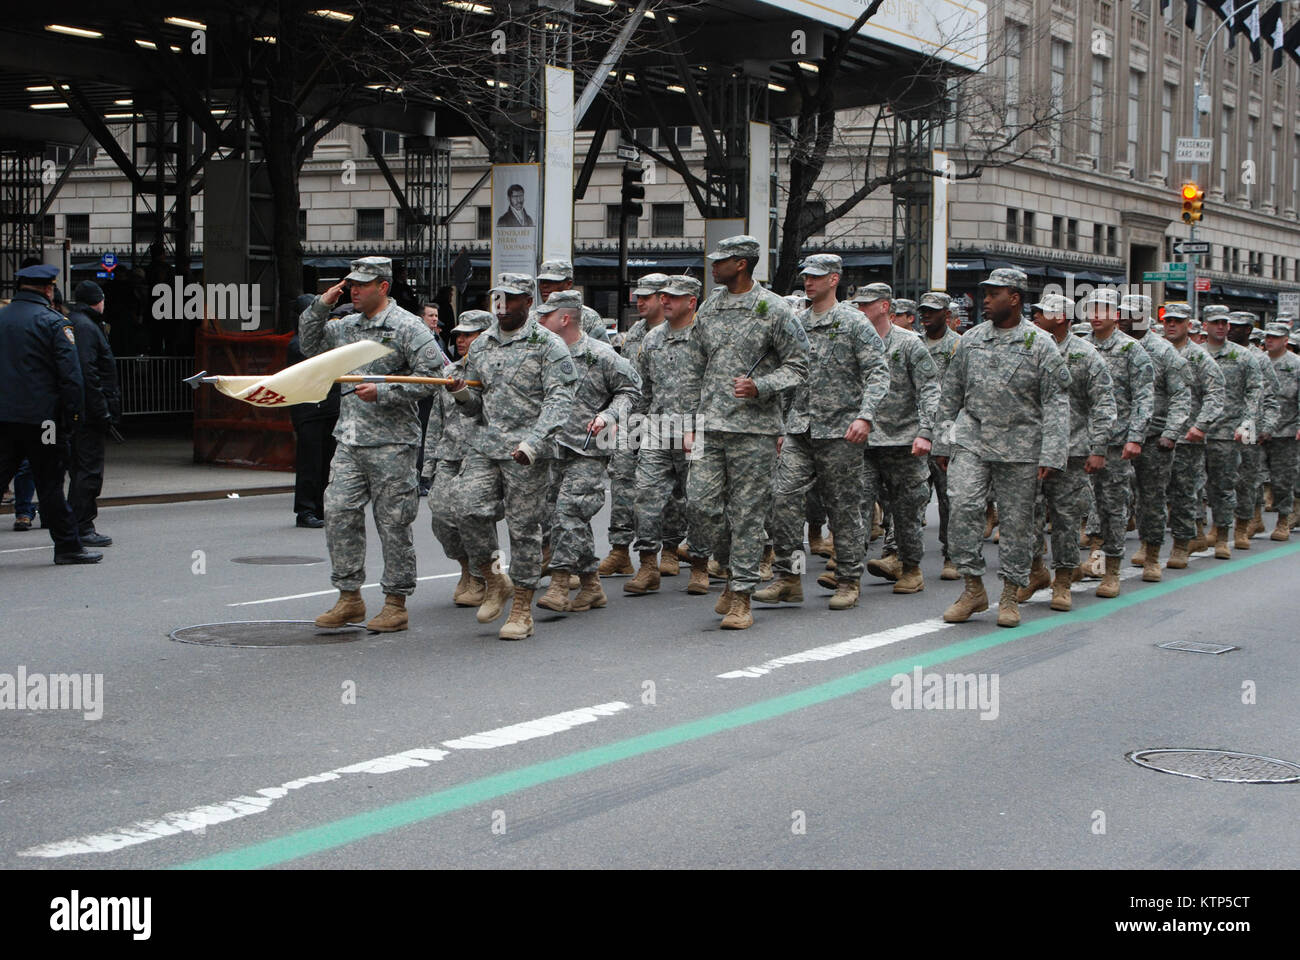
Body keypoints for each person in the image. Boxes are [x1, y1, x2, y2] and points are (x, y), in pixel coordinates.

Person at [299, 256, 451, 633]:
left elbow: (435, 377)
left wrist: (385, 391)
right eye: (350, 284)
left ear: (383, 287)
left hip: (392, 443)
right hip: (349, 439)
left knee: (393, 523)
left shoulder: (408, 327)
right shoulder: (347, 325)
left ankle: (396, 602)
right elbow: (309, 346)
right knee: (337, 512)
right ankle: (349, 596)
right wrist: (321, 305)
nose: (353, 289)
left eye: (362, 284)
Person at [683, 235, 808, 630]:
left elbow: (800, 366)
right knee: (700, 505)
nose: (712, 266)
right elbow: (695, 367)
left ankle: (741, 595)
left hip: (754, 430)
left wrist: (762, 386)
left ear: (741, 264)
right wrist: (689, 422)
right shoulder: (710, 306)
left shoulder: (773, 309)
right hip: (710, 425)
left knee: (749, 513)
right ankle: (730, 569)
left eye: (720, 261)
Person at [934, 267, 1070, 628]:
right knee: (962, 506)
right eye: (986, 293)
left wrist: (1053, 453)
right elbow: (950, 394)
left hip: (1021, 445)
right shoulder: (973, 340)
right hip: (972, 439)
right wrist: (942, 443)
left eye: (994, 294)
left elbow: (1057, 402)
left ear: (1014, 298)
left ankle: (1010, 594)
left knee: (1016, 523)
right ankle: (973, 588)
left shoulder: (1040, 344)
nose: (987, 300)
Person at [446, 273, 578, 640]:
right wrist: (460, 394)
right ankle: (493, 578)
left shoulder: (547, 345)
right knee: (465, 508)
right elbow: (474, 405)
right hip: (485, 446)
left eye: (511, 299)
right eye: (497, 299)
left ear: (528, 301)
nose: (502, 307)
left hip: (526, 453)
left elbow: (559, 401)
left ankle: (521, 606)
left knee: (523, 530)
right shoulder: (483, 345)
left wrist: (533, 443)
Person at [754, 254, 888, 610]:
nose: (808, 282)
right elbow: (788, 375)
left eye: (816, 277)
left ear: (834, 280)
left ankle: (848, 579)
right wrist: (780, 422)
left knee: (843, 508)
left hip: (841, 431)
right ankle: (789, 577)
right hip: (800, 428)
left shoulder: (853, 322)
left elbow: (878, 372)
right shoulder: (797, 323)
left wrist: (866, 416)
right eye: (805, 277)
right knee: (782, 500)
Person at [534, 291, 641, 613]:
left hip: (589, 450)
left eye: (545, 316)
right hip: (551, 448)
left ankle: (559, 583)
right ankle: (592, 584)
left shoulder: (601, 355)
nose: (539, 321)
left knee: (569, 512)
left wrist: (609, 415)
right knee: (558, 519)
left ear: (564, 318)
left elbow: (630, 389)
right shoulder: (540, 354)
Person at [0, 264, 101, 564]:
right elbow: (71, 378)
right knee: (50, 483)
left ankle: (69, 544)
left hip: (5, 417)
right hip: (43, 421)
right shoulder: (54, 323)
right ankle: (68, 546)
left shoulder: (2, 319)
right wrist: (73, 419)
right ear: (48, 289)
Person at [1022, 293, 1115, 610]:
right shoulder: (1028, 346)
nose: (1035, 316)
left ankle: (1063, 581)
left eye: (1043, 312)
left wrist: (1099, 447)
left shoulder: (1085, 355)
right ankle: (1036, 571)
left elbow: (1104, 404)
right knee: (1026, 517)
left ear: (1061, 317)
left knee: (1064, 519)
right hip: (1029, 447)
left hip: (1071, 450)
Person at [854, 282, 940, 595]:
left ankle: (911, 567)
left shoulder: (908, 344)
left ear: (885, 307)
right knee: (856, 504)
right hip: (863, 442)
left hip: (904, 442)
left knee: (907, 510)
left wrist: (926, 431)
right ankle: (848, 571)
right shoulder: (854, 341)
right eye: (858, 305)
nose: (861, 309)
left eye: (868, 304)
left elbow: (930, 388)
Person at [601, 273, 679, 579]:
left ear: (664, 298)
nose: (639, 301)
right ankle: (620, 549)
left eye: (647, 296)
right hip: (632, 417)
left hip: (673, 417)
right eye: (639, 295)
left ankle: (671, 548)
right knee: (621, 479)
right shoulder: (634, 332)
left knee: (673, 488)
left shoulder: (682, 330)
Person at [1080, 288, 1154, 598]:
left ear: (1116, 315)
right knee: (1082, 507)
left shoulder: (1131, 350)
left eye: (1104, 309)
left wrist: (1136, 437)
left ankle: (1111, 570)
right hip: (1081, 441)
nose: (1097, 314)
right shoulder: (1081, 348)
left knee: (1113, 507)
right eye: (1092, 308)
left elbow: (1144, 396)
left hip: (1115, 442)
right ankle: (1087, 561)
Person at [422, 310, 499, 605]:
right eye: (459, 335)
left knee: (477, 519)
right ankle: (467, 568)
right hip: (451, 455)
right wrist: (429, 462)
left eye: (470, 334)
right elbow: (437, 421)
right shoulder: (449, 372)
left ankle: (486, 577)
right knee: (442, 518)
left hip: (482, 456)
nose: (462, 339)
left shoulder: (494, 373)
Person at [1117, 294, 1190, 581]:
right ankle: (1105, 556)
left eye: (1129, 314)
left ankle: (1151, 552)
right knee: (1113, 498)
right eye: (1121, 313)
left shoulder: (1162, 351)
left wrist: (1172, 433)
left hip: (1153, 436)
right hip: (1117, 436)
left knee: (1151, 498)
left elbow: (1181, 395)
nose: (1123, 318)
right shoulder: (1114, 347)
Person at [1160, 302, 1226, 566]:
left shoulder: (1199, 357)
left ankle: (1181, 544)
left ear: (1189, 325)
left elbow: (1216, 393)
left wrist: (1201, 425)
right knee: (1151, 494)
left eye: (1177, 321)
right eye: (1168, 321)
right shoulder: (1157, 351)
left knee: (1184, 493)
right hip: (1156, 433)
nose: (1171, 325)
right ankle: (1148, 544)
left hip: (1187, 438)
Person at [1200, 306, 1262, 559]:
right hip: (1197, 431)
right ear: (1205, 325)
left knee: (1224, 485)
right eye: (1215, 322)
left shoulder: (1243, 356)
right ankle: (1198, 532)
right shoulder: (1196, 355)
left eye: (1224, 323)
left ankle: (1224, 534)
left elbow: (1254, 391)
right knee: (1194, 486)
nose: (1222, 327)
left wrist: (1247, 422)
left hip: (1228, 432)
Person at [65, 281, 121, 547]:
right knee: (88, 471)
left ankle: (76, 523)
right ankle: (81, 525)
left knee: (80, 468)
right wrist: (102, 411)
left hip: (82, 411)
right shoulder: (86, 327)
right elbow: (90, 373)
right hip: (88, 413)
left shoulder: (79, 323)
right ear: (96, 301)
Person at [1227, 312, 1281, 548]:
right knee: (1222, 478)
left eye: (1238, 327)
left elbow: (1271, 395)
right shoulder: (1222, 353)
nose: (1232, 330)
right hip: (1223, 425)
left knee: (1248, 477)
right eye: (1231, 325)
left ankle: (1247, 521)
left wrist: (1267, 426)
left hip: (1250, 426)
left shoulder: (1260, 359)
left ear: (1248, 330)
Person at [919, 291, 962, 580]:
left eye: (933, 311)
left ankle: (952, 555)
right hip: (918, 429)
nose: (926, 315)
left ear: (946, 315)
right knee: (914, 495)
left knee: (949, 497)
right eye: (923, 311)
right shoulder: (914, 343)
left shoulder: (959, 345)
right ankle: (900, 555)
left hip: (948, 430)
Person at [286, 294, 339, 528]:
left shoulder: (326, 339)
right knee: (310, 463)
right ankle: (305, 510)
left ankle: (320, 507)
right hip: (309, 411)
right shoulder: (299, 343)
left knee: (326, 462)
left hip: (328, 408)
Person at [1262, 321, 1300, 540]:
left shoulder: (1295, 364)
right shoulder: (1258, 361)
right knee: (1251, 477)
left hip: (1285, 429)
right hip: (1257, 430)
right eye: (1268, 337)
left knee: (1283, 478)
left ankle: (1283, 519)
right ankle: (1252, 519)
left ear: (1286, 341)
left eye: (1275, 338)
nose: (1270, 341)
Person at [534, 260, 609, 342]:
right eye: (542, 281)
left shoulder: (589, 317)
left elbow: (601, 350)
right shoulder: (533, 317)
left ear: (568, 284)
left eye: (552, 282)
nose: (545, 286)